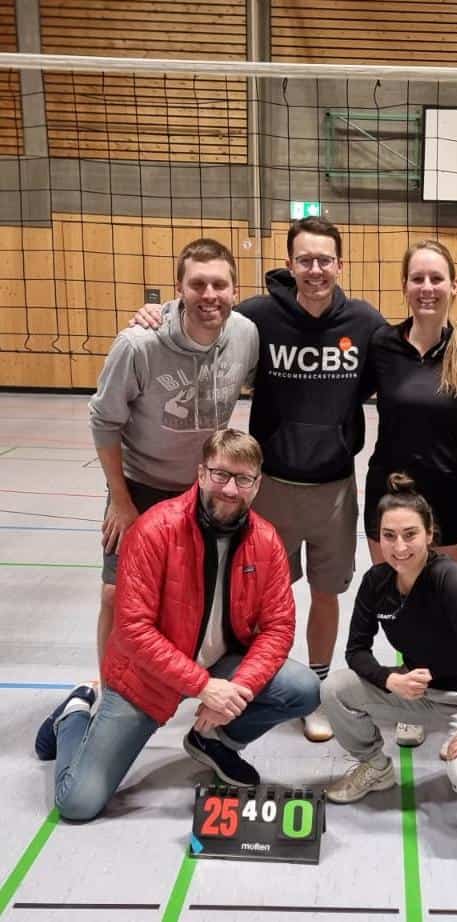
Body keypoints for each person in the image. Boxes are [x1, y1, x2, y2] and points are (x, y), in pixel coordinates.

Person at [132, 218, 387, 743]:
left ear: (340, 264)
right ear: (289, 264)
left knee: (326, 593)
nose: (315, 269)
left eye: (325, 259)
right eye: (305, 259)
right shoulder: (257, 317)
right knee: (257, 600)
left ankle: (316, 691)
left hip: (335, 487)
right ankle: (252, 686)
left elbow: (408, 354)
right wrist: (157, 312)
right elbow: (203, 317)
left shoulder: (363, 321)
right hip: (270, 486)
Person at [34, 430, 320, 822]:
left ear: (257, 485)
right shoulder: (155, 529)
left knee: (303, 689)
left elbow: (278, 628)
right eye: (220, 475)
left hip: (220, 666)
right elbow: (133, 629)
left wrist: (239, 688)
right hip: (147, 677)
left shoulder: (267, 541)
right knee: (78, 802)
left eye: (243, 479)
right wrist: (203, 687)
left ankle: (213, 741)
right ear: (201, 474)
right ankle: (74, 713)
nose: (230, 489)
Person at [89, 238, 258, 664]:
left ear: (235, 291)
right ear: (178, 289)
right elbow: (104, 421)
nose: (209, 295)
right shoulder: (138, 345)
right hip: (140, 486)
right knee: (115, 594)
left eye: (219, 285)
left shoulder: (245, 334)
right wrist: (121, 500)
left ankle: (183, 679)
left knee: (194, 595)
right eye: (197, 284)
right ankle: (112, 692)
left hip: (202, 491)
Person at [321, 473, 457, 820]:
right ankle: (376, 767)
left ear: (430, 534)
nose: (399, 547)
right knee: (334, 689)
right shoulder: (376, 582)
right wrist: (390, 679)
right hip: (420, 693)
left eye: (410, 534)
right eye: (389, 536)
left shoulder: (449, 581)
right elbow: (356, 651)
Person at [364, 239, 457, 748]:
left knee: (444, 608)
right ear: (404, 285)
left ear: (454, 286)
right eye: (417, 278)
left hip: (452, 500)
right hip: (390, 499)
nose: (427, 287)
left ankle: (456, 692)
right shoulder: (381, 345)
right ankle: (412, 696)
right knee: (402, 606)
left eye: (436, 278)